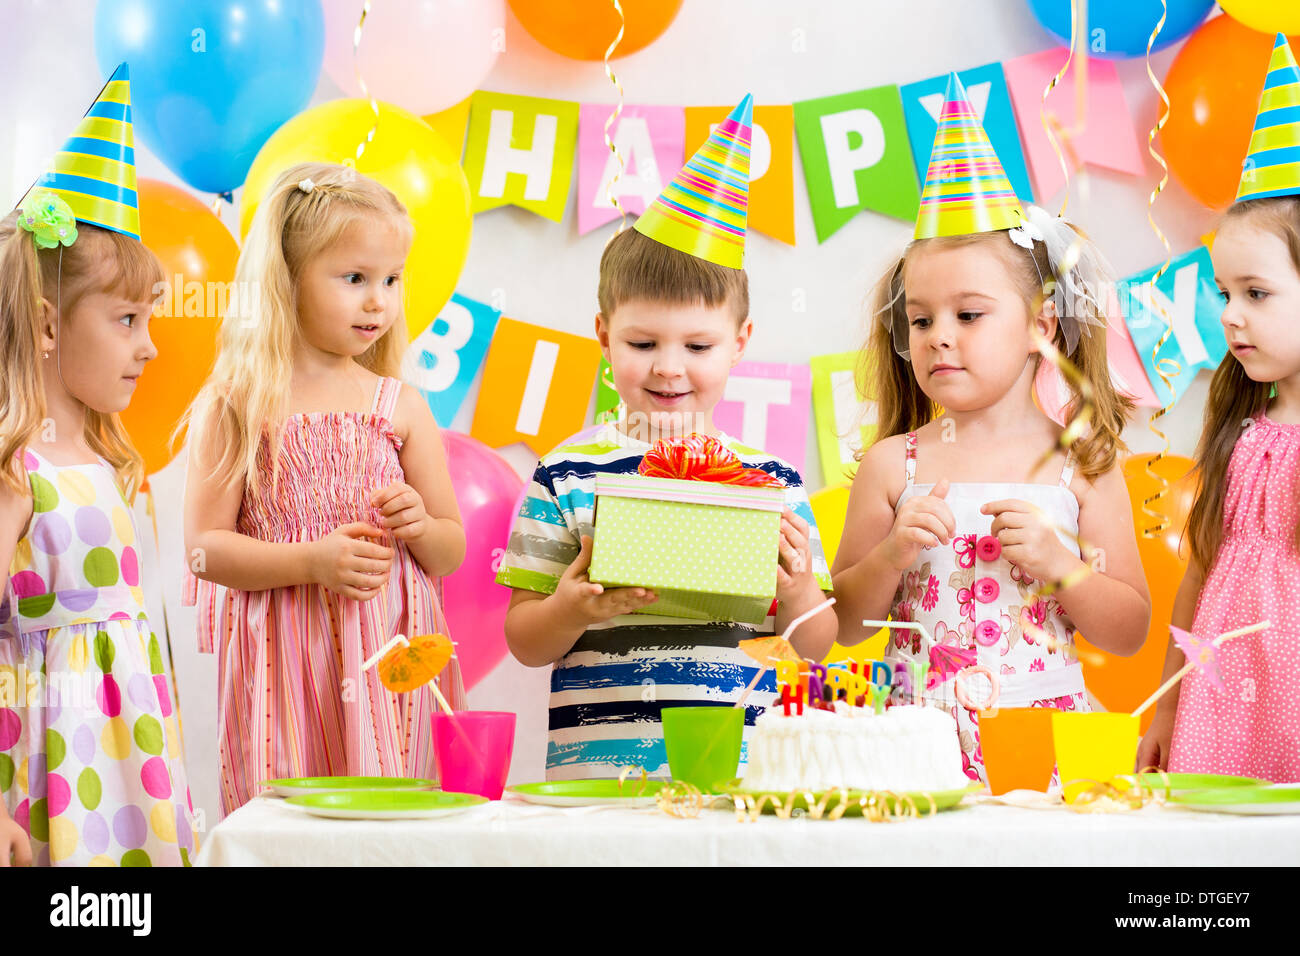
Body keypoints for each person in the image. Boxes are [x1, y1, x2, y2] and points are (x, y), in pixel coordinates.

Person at [497, 97, 836, 780]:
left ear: (740, 344)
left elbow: (818, 649)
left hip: (741, 781)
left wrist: (798, 596)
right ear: (603, 338)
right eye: (642, 341)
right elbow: (525, 641)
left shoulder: (775, 483)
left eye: (698, 344)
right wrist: (568, 606)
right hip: (598, 784)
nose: (668, 366)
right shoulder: (567, 473)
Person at [832, 75, 1150, 784]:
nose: (939, 338)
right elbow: (844, 627)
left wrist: (1062, 565)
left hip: (1045, 745)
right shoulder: (895, 465)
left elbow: (1128, 632)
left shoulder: (1082, 462)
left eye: (968, 315)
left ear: (1040, 325)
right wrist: (889, 557)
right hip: (913, 749)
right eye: (920, 320)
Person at [183, 162, 466, 815]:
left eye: (392, 280)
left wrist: (419, 525)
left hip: (391, 654)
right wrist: (311, 562)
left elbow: (449, 551)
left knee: (393, 821)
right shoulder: (238, 403)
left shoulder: (400, 405)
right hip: (283, 658)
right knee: (291, 821)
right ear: (287, 281)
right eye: (355, 279)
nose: (380, 301)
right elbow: (205, 549)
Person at [0, 65, 197, 864]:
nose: (149, 345)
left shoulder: (111, 463)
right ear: (48, 326)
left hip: (134, 771)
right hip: (52, 772)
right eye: (126, 320)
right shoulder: (18, 472)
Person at [1138, 35, 1300, 782]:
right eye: (1225, 292)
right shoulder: (1240, 428)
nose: (1231, 316)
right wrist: (1169, 701)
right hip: (1220, 697)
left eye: (1256, 294)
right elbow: (1201, 569)